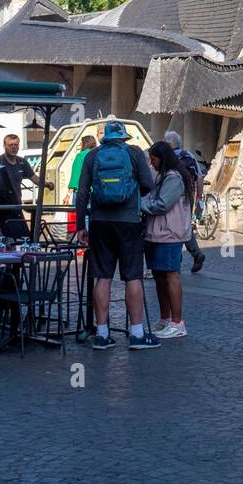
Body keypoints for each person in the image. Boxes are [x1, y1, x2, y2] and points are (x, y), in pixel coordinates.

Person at [75, 120, 159, 350]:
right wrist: (130, 193)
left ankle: (102, 335)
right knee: (133, 277)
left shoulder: (92, 156)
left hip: (100, 223)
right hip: (129, 222)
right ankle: (137, 334)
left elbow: (82, 193)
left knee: (103, 277)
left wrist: (80, 225)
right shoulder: (134, 153)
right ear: (123, 136)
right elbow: (148, 185)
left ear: (104, 137)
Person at [142, 141, 193, 339]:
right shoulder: (164, 176)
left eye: (153, 159)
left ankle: (177, 323)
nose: (151, 163)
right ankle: (165, 319)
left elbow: (162, 204)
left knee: (170, 276)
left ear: (162, 158)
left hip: (169, 234)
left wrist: (140, 204)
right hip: (159, 233)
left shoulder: (173, 178)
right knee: (159, 276)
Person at [0, 132, 54, 239]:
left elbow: (35, 178)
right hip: (0, 208)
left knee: (23, 239)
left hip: (16, 207)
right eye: (10, 145)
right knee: (6, 240)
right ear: (4, 146)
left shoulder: (22, 162)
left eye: (16, 145)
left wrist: (47, 184)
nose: (13, 147)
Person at [163, 130, 206, 272]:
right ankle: (195, 254)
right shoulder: (189, 156)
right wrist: (199, 197)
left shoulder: (166, 157)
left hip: (169, 196)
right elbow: (199, 177)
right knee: (185, 225)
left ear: (168, 143)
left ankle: (178, 261)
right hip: (188, 195)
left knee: (172, 227)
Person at [67, 134, 98, 204]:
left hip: (81, 192)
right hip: (95, 193)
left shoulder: (80, 156)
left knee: (80, 211)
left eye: (81, 143)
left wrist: (68, 195)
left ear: (85, 144)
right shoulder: (96, 154)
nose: (80, 145)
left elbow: (75, 176)